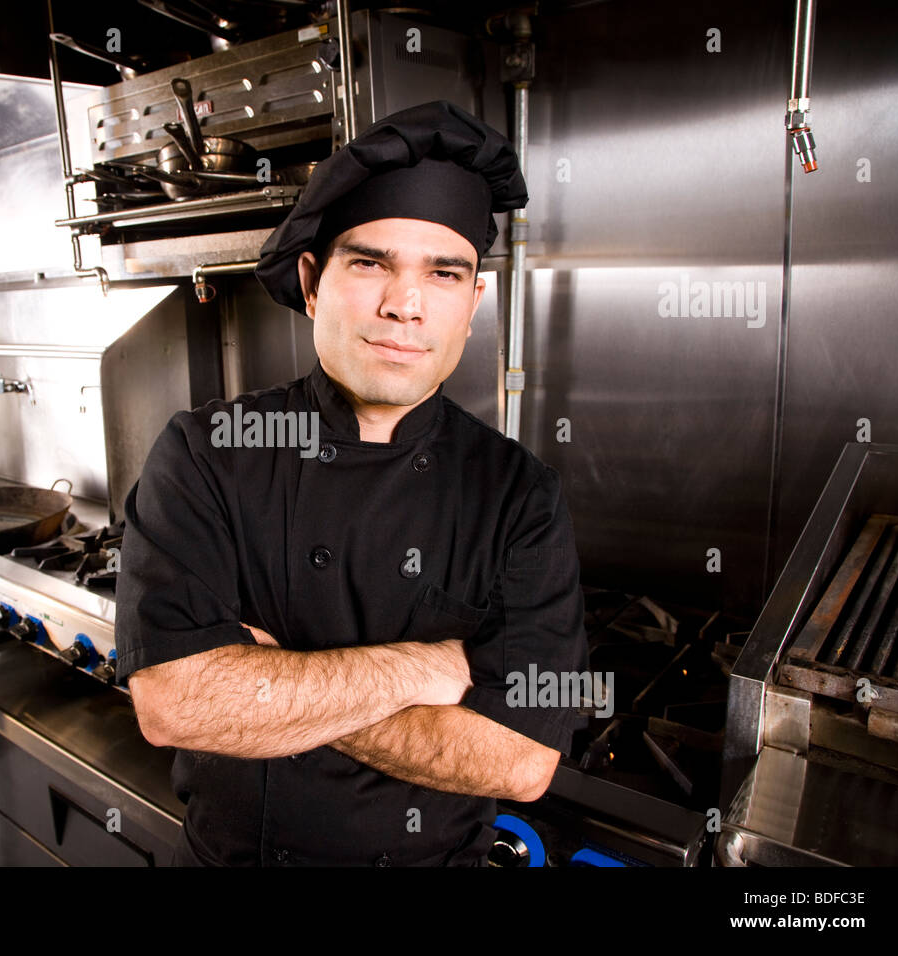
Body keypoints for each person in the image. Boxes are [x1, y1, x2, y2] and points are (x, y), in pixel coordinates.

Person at [115, 100, 589, 867]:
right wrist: (420, 668)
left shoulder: (520, 497)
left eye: (444, 273)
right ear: (311, 282)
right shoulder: (205, 454)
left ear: (471, 307)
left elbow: (521, 762)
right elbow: (174, 703)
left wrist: (269, 681)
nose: (404, 304)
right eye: (370, 263)